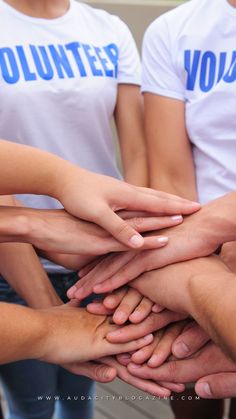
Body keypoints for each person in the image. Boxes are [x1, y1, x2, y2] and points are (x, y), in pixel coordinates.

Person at [0, 0, 202, 417]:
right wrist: (49, 313)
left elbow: (137, 153)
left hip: (99, 258)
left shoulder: (107, 28)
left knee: (81, 401)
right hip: (12, 260)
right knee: (33, 405)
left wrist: (131, 255)